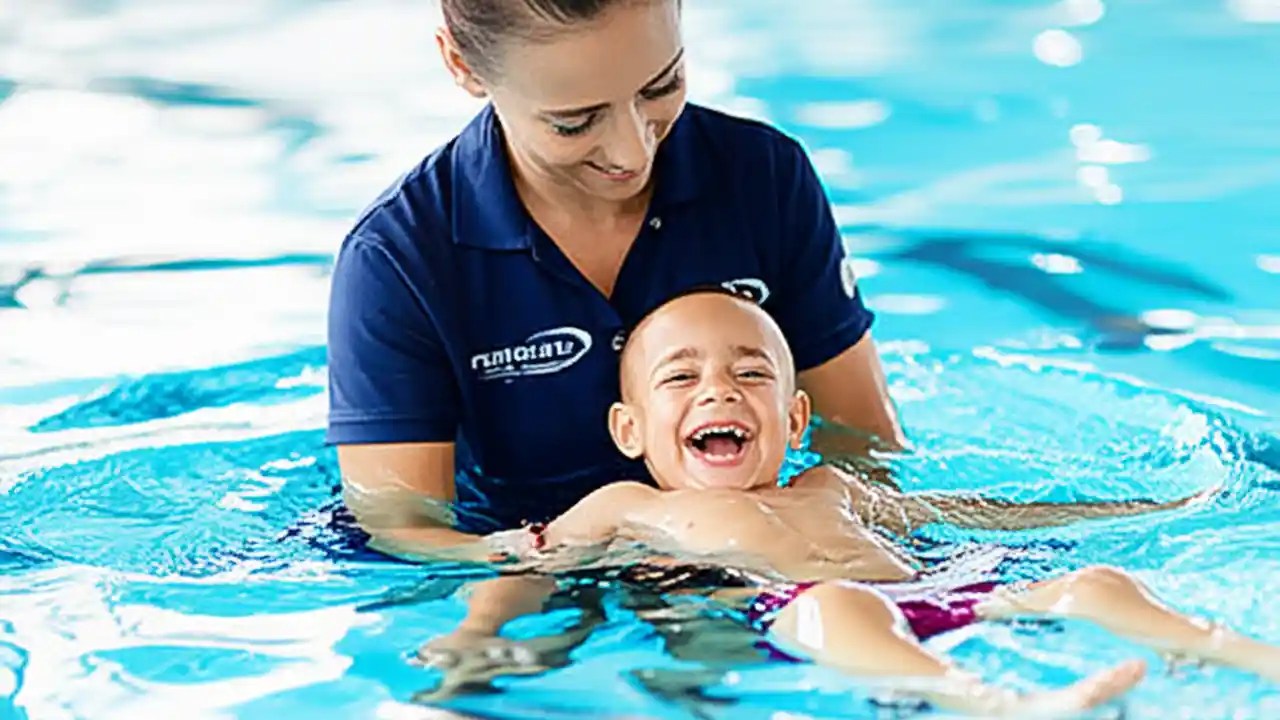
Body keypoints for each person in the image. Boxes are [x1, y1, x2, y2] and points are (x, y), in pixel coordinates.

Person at [417, 288, 1278, 717]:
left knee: (1093, 585)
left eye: (750, 373)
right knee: (836, 607)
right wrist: (476, 630)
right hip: (808, 605)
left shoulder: (828, 484)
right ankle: (1003, 705)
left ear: (795, 418)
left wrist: (1134, 512)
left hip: (945, 585)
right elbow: (531, 559)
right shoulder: (624, 504)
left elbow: (971, 514)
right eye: (682, 378)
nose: (719, 390)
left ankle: (1240, 651)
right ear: (629, 428)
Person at [325, 0, 904, 557]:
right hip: (540, 569)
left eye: (662, 86)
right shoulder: (399, 257)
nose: (632, 152)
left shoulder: (763, 179)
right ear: (463, 65)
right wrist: (587, 540)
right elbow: (404, 532)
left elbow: (864, 446)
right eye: (574, 123)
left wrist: (813, 531)